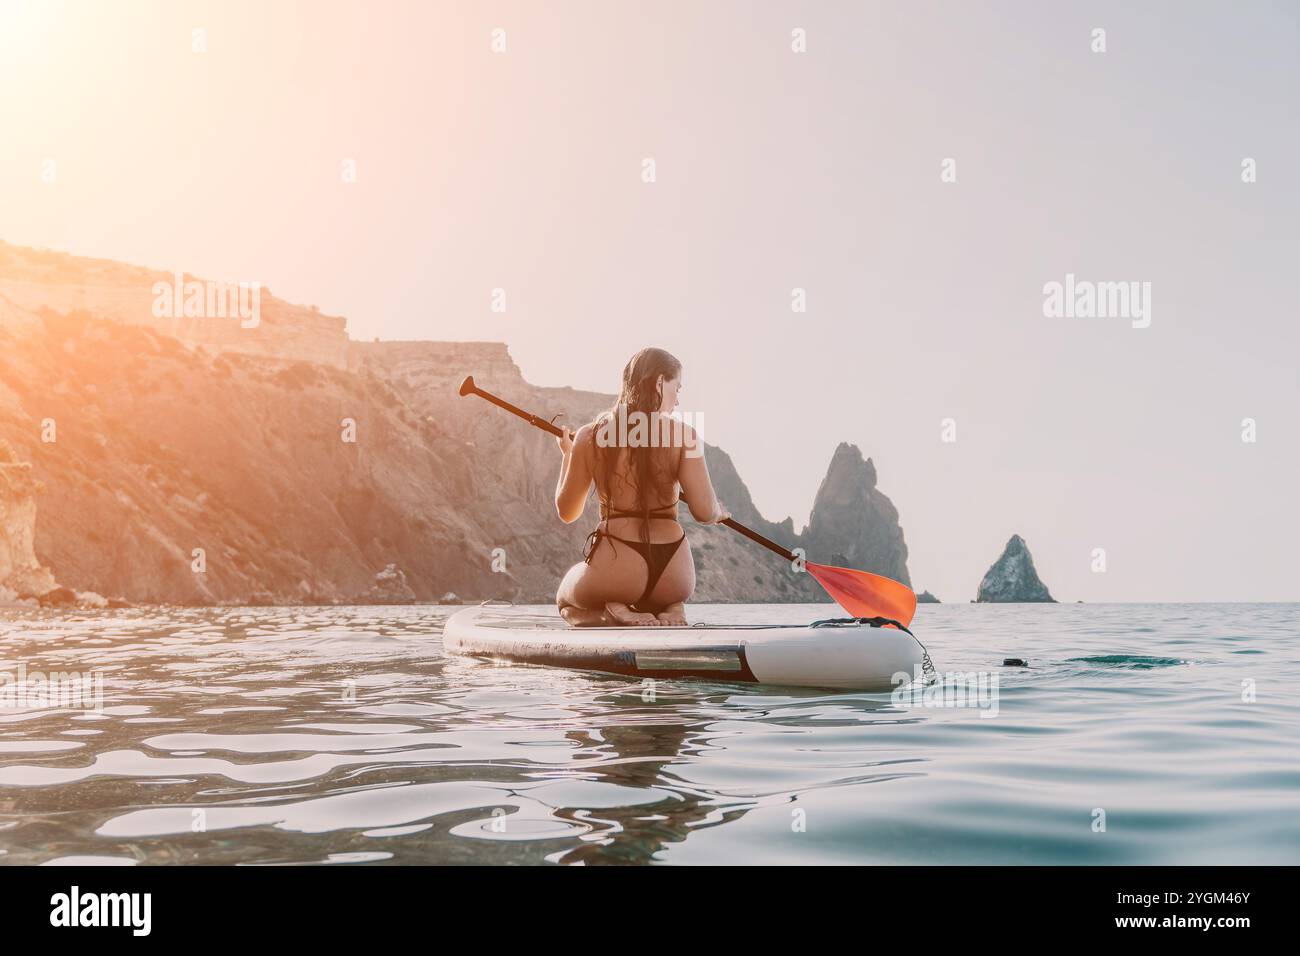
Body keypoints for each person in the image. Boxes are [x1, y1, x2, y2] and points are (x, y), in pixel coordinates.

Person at [554, 348, 729, 626]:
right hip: (674, 572)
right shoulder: (685, 435)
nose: (679, 399)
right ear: (660, 382)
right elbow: (704, 512)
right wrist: (719, 512)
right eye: (677, 388)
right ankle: (671, 608)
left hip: (618, 568)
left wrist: (569, 456)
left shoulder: (591, 435)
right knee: (661, 597)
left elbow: (567, 511)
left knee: (564, 600)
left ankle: (610, 611)